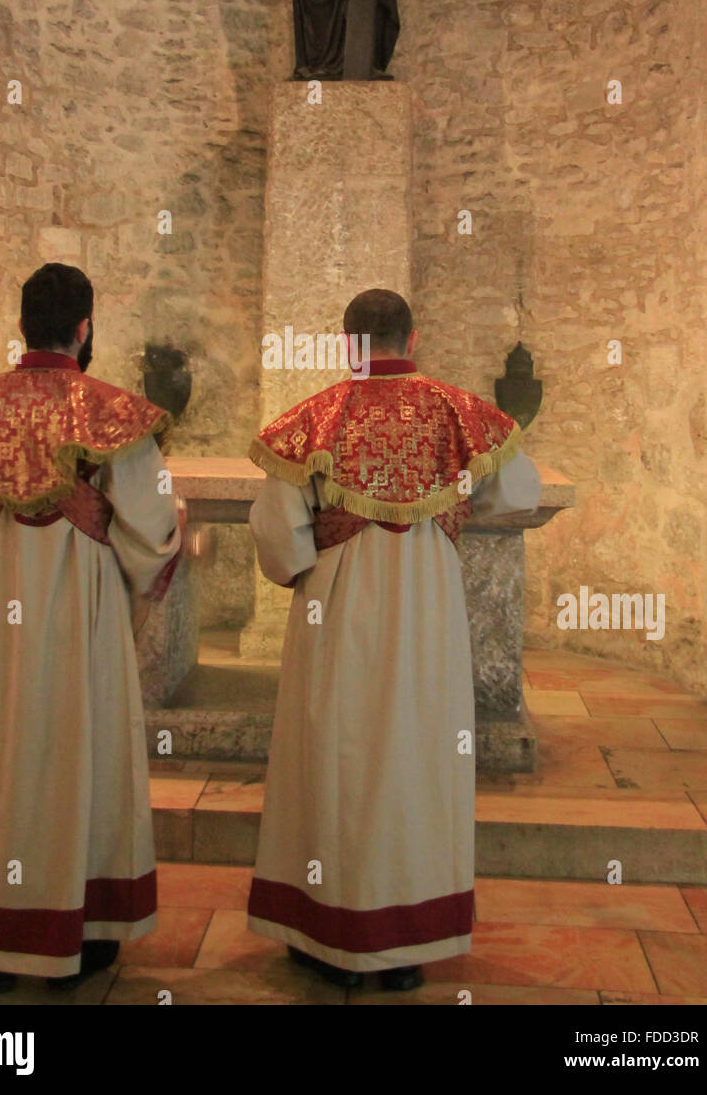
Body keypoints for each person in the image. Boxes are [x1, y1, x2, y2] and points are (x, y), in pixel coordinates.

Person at [246, 288, 541, 990]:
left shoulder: (314, 417)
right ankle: (401, 945)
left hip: (336, 605)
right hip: (425, 610)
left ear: (348, 346)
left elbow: (277, 533)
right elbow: (517, 492)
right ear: (412, 340)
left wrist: (300, 566)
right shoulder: (456, 410)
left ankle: (320, 933)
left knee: (331, 753)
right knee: (415, 753)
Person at [0, 263, 180, 993]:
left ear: (22, 324)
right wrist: (124, 561)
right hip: (82, 608)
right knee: (78, 753)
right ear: (86, 328)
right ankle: (82, 936)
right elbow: (151, 527)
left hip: (2, 607)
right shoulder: (112, 414)